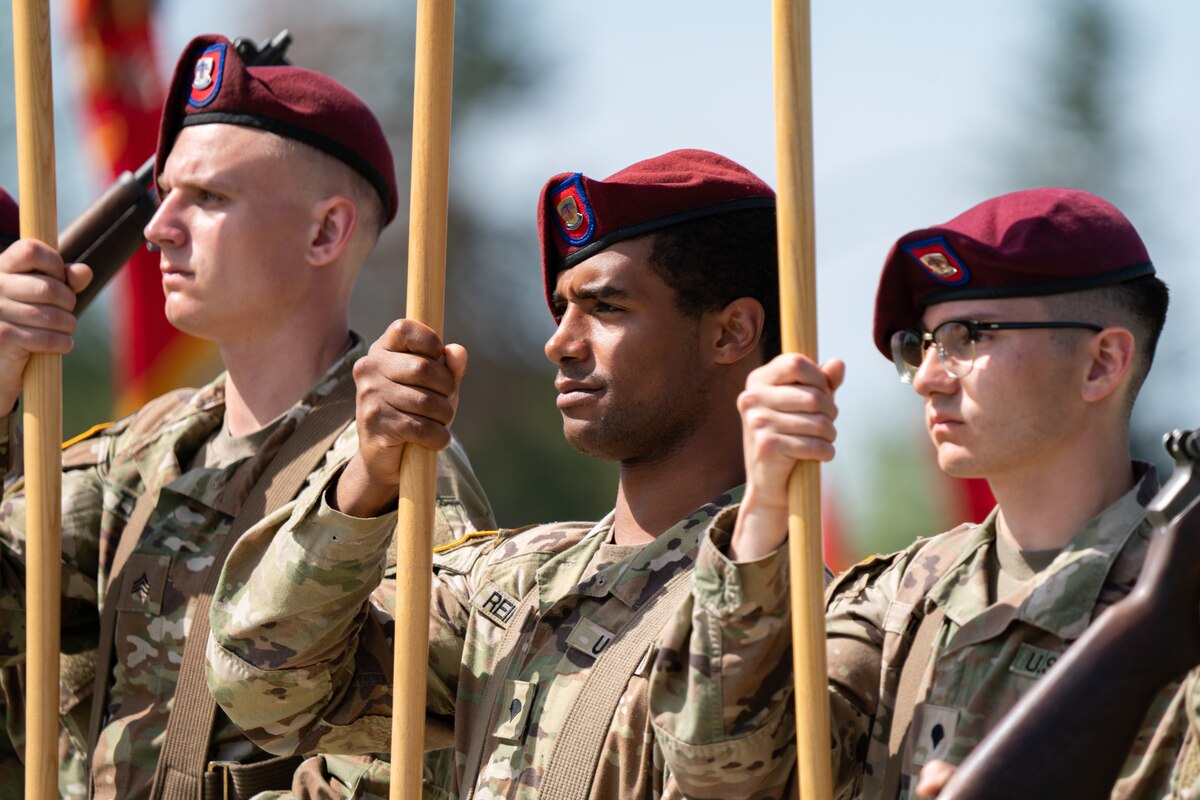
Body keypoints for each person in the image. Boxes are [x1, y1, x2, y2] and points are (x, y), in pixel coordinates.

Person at [204, 148, 844, 798]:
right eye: (562, 309)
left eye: (607, 308)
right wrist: (366, 479)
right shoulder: (515, 584)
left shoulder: (803, 620)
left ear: (732, 332)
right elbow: (262, 687)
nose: (561, 342)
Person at [0, 34, 494, 800]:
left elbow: (409, 757)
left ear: (325, 232)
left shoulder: (403, 479)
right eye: (165, 195)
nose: (162, 228)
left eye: (209, 198)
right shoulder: (138, 457)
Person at [733, 187, 1176, 798]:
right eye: (922, 346)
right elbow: (729, 775)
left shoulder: (1178, 611)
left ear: (1101, 363)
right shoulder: (899, 603)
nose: (930, 380)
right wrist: (762, 509)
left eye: (970, 337)